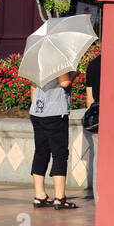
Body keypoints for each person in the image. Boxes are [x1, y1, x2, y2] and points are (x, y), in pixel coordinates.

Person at [30, 72, 78, 210]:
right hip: (55, 112)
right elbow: (64, 83)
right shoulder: (57, 62)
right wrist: (73, 75)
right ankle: (60, 197)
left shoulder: (37, 64)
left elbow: (33, 87)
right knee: (59, 153)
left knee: (40, 152)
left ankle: (40, 195)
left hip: (37, 112)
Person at [85, 50, 101, 202]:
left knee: (98, 159)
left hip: (98, 118)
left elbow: (89, 101)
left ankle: (98, 198)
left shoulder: (93, 64)